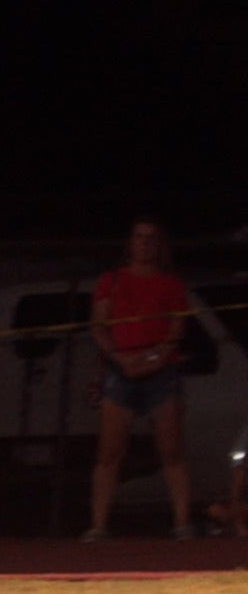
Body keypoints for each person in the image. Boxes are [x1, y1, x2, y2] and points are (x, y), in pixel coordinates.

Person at [83, 215, 192, 541]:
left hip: (161, 372)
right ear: (130, 243)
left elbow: (177, 327)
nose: (144, 243)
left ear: (159, 245)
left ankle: (182, 524)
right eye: (139, 237)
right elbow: (99, 325)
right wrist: (120, 359)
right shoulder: (111, 280)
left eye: (151, 238)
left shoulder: (170, 283)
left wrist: (155, 358)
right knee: (109, 453)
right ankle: (99, 526)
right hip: (121, 372)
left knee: (171, 450)